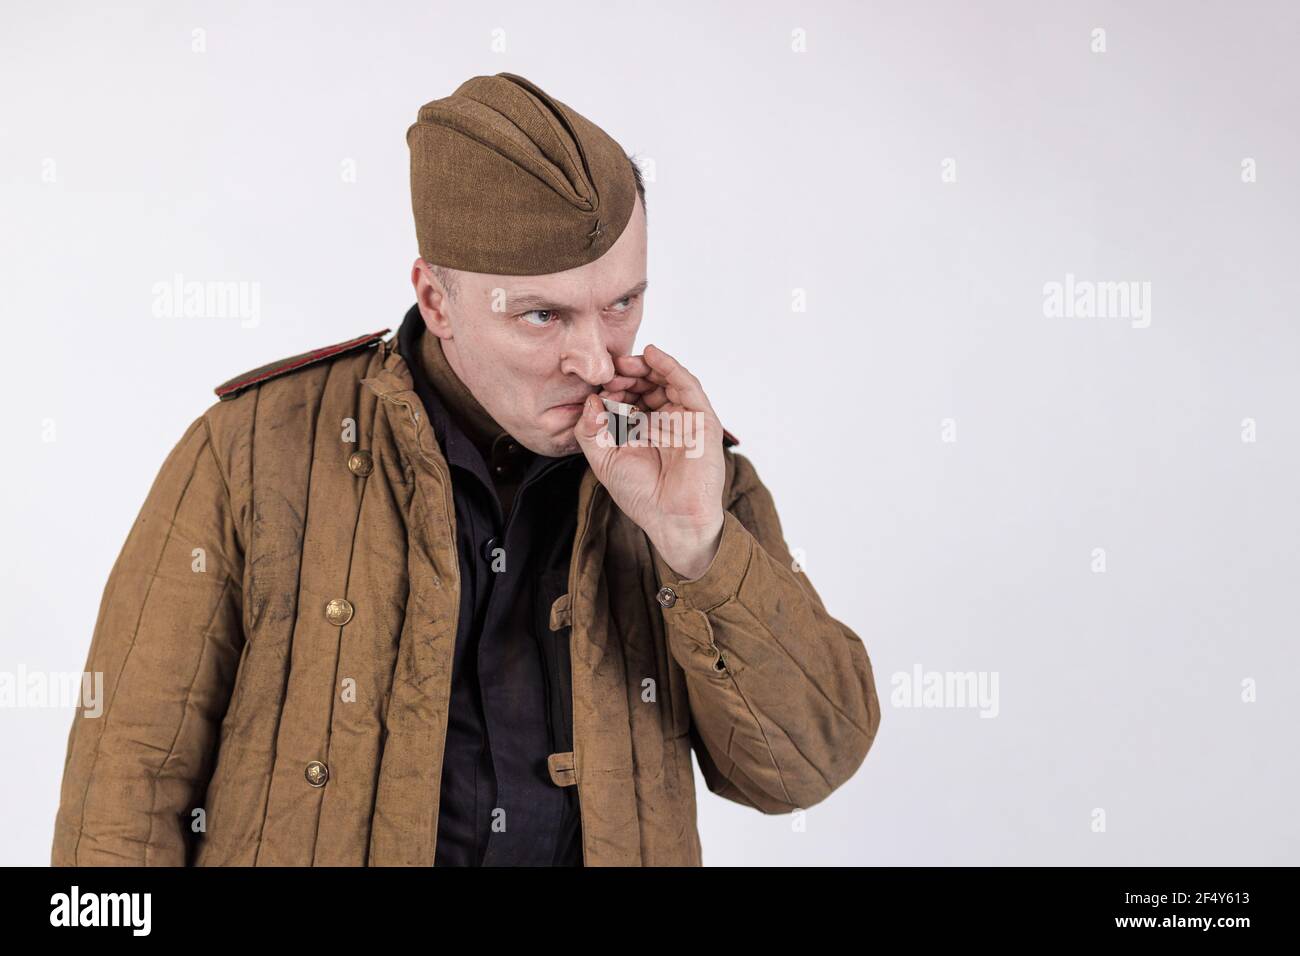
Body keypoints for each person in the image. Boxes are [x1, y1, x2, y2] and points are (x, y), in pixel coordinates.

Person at [51, 72, 881, 866]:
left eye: (622, 303)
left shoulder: (685, 463)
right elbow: (125, 785)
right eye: (544, 315)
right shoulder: (253, 450)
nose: (595, 361)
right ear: (437, 299)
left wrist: (696, 546)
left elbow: (804, 768)